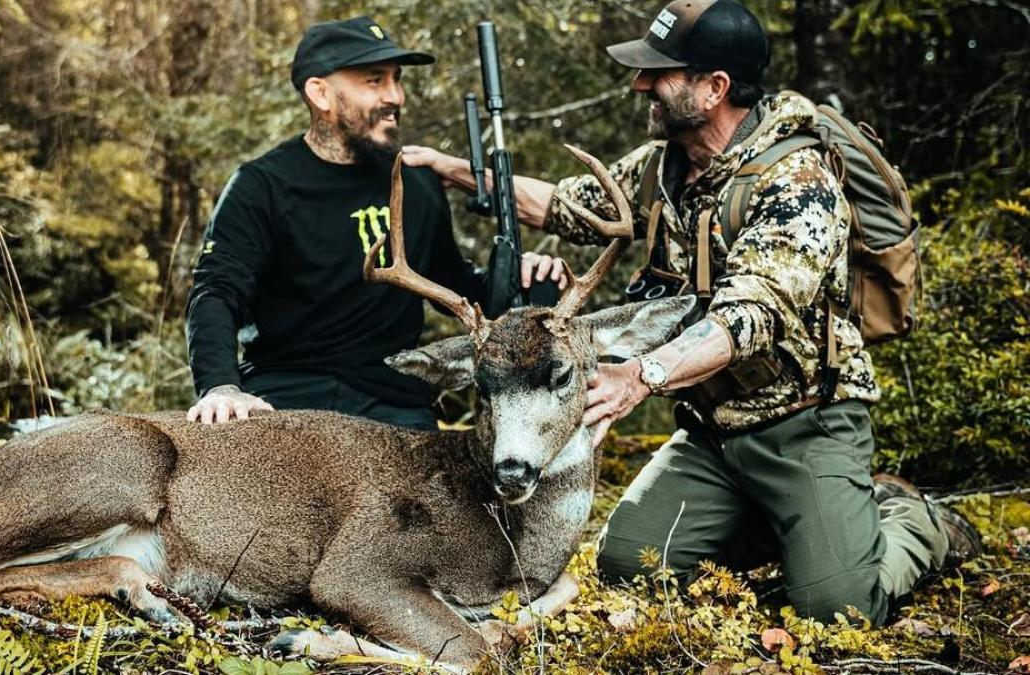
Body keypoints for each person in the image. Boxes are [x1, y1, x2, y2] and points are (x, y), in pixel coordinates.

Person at [405, 0, 980, 624]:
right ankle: (803, 527)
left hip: (806, 425)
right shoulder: (664, 167)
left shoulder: (798, 181)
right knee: (627, 565)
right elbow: (567, 207)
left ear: (714, 88)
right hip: (711, 432)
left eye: (660, 73)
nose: (641, 85)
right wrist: (451, 168)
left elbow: (749, 314)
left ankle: (912, 520)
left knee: (838, 603)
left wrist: (641, 376)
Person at [185, 16, 567, 431]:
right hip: (288, 391)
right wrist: (220, 385)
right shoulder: (261, 185)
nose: (395, 96)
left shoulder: (415, 182)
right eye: (374, 81)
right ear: (321, 94)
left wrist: (516, 279)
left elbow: (451, 285)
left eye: (397, 80)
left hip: (394, 400)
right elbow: (216, 292)